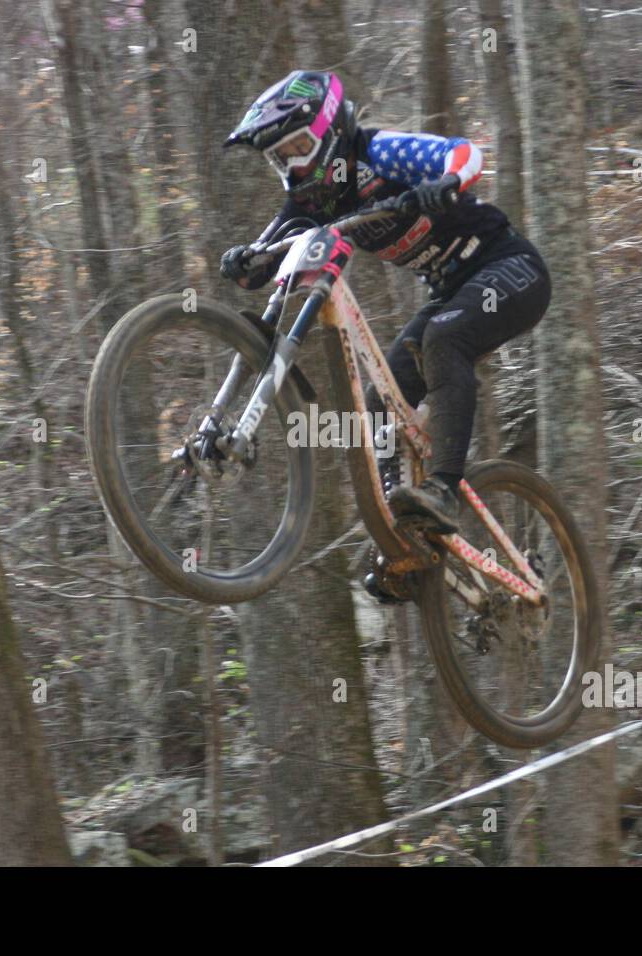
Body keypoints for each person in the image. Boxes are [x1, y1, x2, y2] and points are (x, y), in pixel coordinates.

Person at [221, 70, 551, 597]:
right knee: (381, 401)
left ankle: (442, 488)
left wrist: (447, 183)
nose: (295, 165)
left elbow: (462, 153)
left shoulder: (375, 151)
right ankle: (408, 540)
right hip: (451, 292)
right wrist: (244, 262)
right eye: (280, 158)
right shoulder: (309, 205)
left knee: (444, 341)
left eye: (300, 147)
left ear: (331, 131)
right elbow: (262, 262)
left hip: (509, 269)